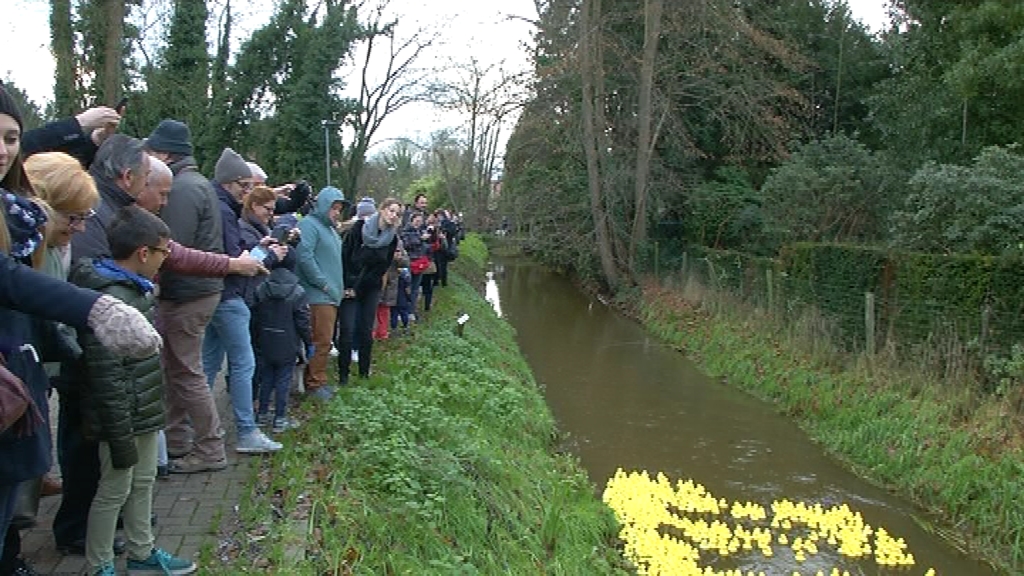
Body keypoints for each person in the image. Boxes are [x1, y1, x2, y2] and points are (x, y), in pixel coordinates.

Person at [69, 206, 196, 576]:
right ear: (144, 253)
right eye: (163, 252)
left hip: (142, 410)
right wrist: (119, 430)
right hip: (121, 418)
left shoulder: (136, 291)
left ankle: (142, 551)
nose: (165, 259)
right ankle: (100, 565)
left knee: (142, 482)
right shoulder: (113, 299)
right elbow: (106, 375)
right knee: (113, 489)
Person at [145, 119, 229, 474]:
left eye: (151, 151)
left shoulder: (178, 190)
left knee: (186, 372)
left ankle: (210, 448)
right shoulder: (198, 183)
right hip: (200, 290)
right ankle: (177, 438)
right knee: (179, 368)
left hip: (187, 293)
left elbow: (169, 247)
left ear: (165, 153)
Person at [203, 148, 283, 454]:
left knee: (207, 365)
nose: (247, 192)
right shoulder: (224, 211)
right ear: (228, 182)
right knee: (242, 363)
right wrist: (268, 255)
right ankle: (247, 432)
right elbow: (232, 257)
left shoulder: (220, 206)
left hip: (215, 294)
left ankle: (193, 428)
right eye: (244, 186)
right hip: (229, 296)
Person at [336, 198, 401, 381]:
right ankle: (343, 374)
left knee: (366, 330)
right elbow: (345, 257)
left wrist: (361, 286)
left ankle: (364, 372)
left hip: (370, 287)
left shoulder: (391, 239)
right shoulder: (358, 229)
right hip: (349, 285)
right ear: (382, 210)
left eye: (397, 213)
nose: (393, 215)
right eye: (391, 210)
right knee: (347, 330)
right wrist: (349, 287)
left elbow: (382, 268)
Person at [295, 187, 346, 401]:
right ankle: (315, 384)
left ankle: (318, 379)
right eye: (333, 208)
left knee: (325, 339)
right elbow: (304, 255)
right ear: (324, 205)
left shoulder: (331, 231)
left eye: (339, 209)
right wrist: (322, 283)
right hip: (317, 296)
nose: (336, 212)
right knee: (320, 340)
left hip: (331, 296)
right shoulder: (309, 225)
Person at [252, 256, 311, 433]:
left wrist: (256, 340)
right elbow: (303, 322)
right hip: (288, 343)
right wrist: (308, 342)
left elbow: (254, 317)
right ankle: (280, 418)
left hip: (265, 341)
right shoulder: (298, 291)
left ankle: (262, 414)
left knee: (267, 378)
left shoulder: (261, 288)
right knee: (284, 380)